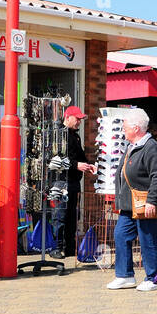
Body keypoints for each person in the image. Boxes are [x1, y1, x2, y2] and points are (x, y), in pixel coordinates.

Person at [107, 108, 157, 291]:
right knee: (121, 234)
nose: (123, 130)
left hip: (143, 202)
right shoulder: (132, 146)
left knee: (147, 239)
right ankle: (125, 275)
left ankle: (154, 277)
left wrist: (151, 200)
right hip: (128, 203)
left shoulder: (151, 148)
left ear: (136, 128)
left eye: (125, 127)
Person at [51, 106, 97, 258]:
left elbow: (80, 157)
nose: (79, 122)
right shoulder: (58, 134)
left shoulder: (75, 136)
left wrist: (88, 165)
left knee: (72, 216)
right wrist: (76, 165)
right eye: (77, 119)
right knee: (60, 216)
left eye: (80, 119)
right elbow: (54, 158)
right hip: (61, 181)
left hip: (73, 181)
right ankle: (56, 248)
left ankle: (69, 248)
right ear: (68, 117)